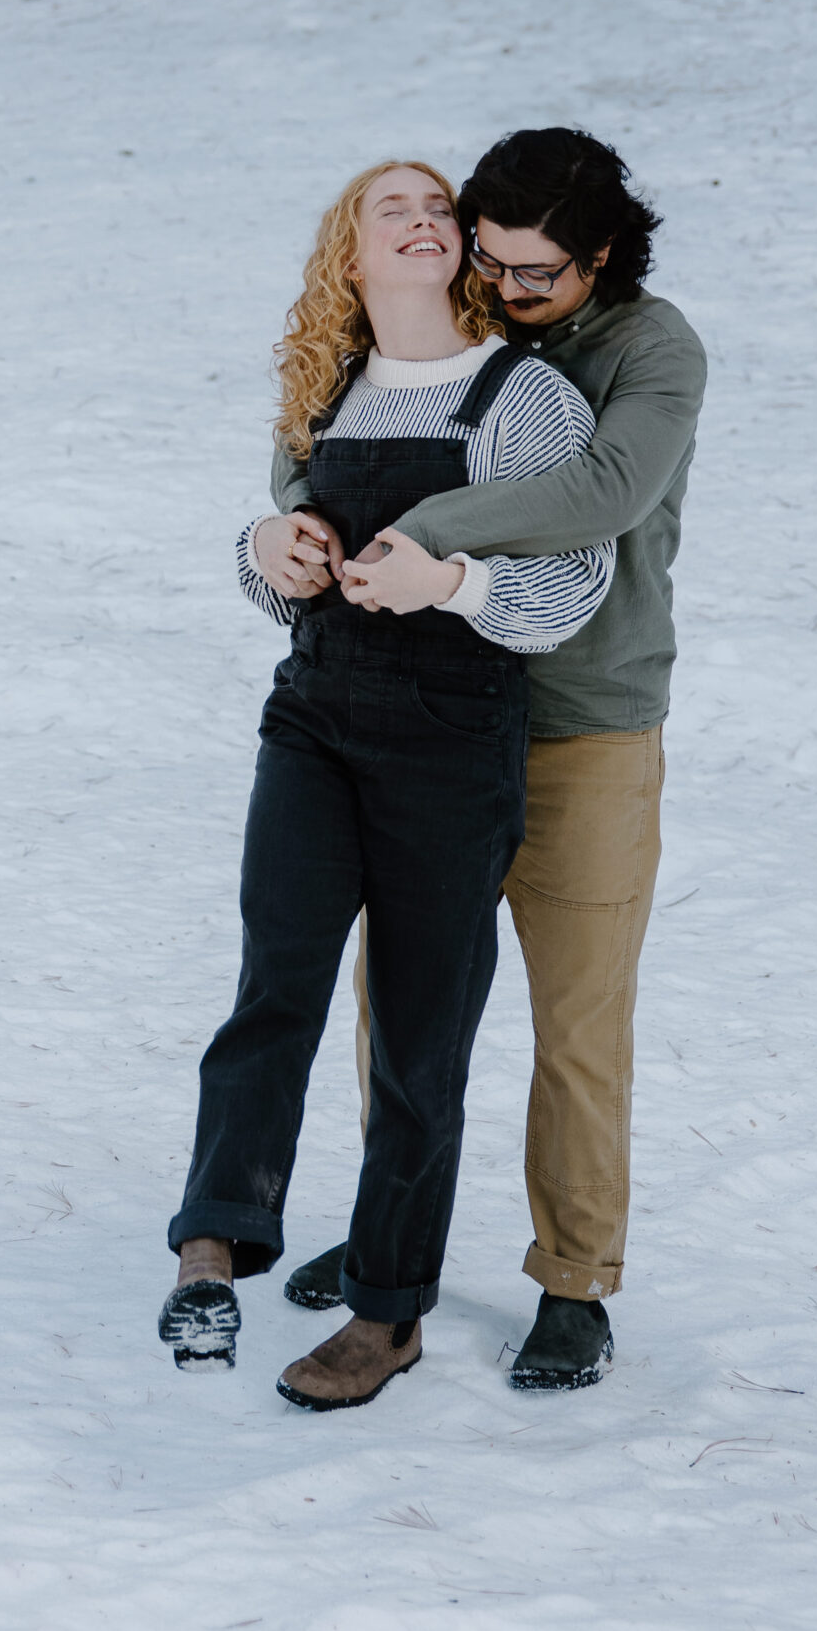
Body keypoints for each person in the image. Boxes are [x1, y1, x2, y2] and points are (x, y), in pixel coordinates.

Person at [159, 159, 614, 1411]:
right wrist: (265, 548)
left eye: (436, 206)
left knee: (421, 1037)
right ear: (349, 255)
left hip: (452, 744)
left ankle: (387, 1312)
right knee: (275, 986)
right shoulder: (326, 390)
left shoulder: (525, 399)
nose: (420, 219)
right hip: (313, 724)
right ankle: (211, 1246)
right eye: (389, 207)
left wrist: (449, 583)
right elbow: (280, 570)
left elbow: (575, 584)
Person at [275, 128, 708, 1392]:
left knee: (577, 1017)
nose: (509, 291)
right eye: (492, 261)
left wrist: (419, 528)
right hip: (428, 719)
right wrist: (291, 525)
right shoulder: (454, 316)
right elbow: (324, 442)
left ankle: (575, 1280)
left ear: (603, 255)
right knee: (399, 1006)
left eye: (537, 273)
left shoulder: (652, 347)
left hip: (583, 725)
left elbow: (607, 491)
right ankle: (389, 1241)